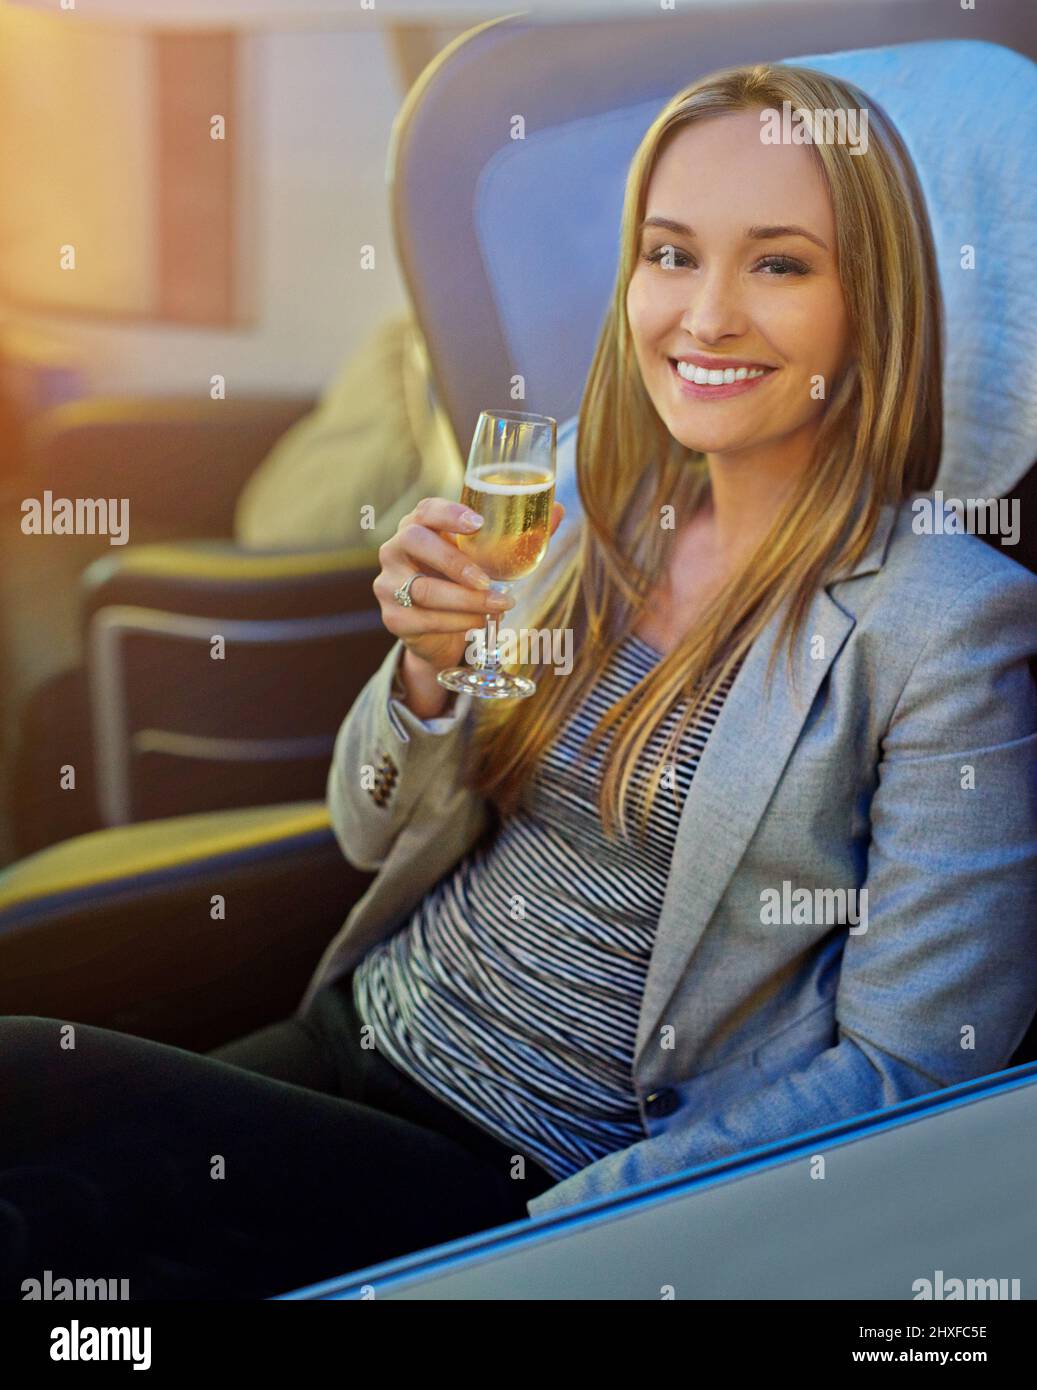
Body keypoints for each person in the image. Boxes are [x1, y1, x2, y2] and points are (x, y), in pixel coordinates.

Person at [2, 61, 1036, 1301]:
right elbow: (364, 823)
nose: (702, 314)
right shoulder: (568, 498)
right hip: (363, 1025)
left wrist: (563, 1237)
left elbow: (909, 1066)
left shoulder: (946, 625)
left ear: (869, 304)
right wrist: (424, 673)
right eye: (668, 254)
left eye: (775, 264)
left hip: (526, 1173)